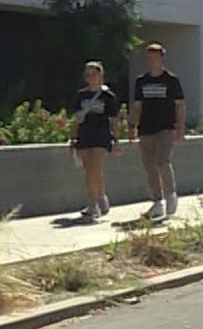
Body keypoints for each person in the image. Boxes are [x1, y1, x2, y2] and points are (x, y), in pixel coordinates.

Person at [130, 42, 186, 223]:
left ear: (162, 58)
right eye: (149, 57)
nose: (152, 60)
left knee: (162, 161)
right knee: (149, 167)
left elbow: (179, 105)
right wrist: (132, 126)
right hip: (146, 129)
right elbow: (137, 106)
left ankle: (171, 194)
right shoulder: (141, 81)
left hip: (165, 128)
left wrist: (180, 127)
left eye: (155, 57)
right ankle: (156, 201)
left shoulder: (171, 80)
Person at [68, 60, 122, 222]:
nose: (91, 77)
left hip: (101, 135)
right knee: (89, 169)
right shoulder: (81, 96)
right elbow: (77, 119)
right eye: (88, 74)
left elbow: (114, 120)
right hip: (85, 134)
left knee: (94, 166)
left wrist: (116, 140)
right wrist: (73, 138)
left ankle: (93, 204)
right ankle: (100, 196)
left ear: (101, 75)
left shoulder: (107, 96)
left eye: (94, 74)